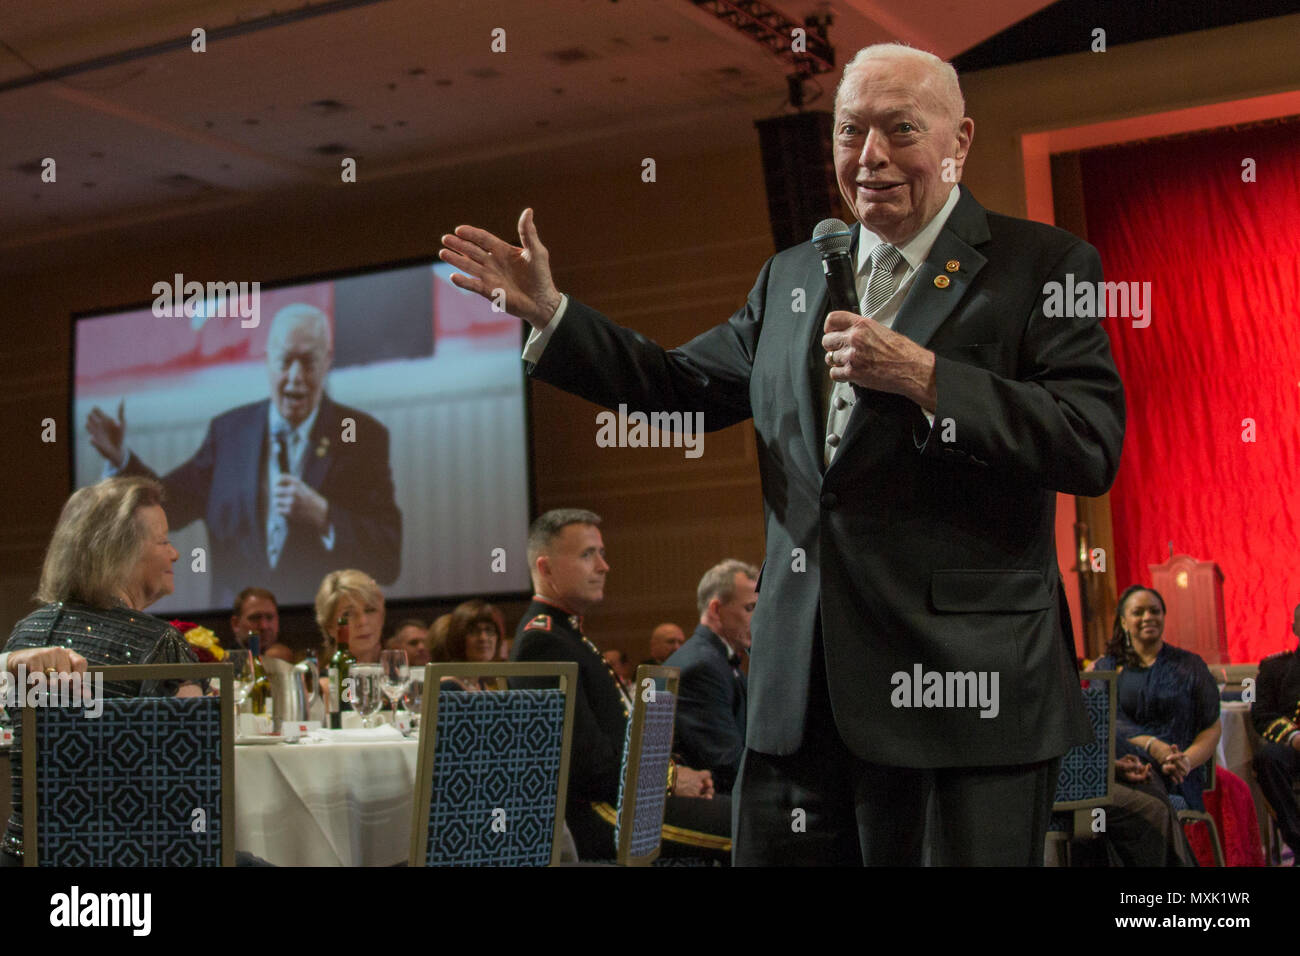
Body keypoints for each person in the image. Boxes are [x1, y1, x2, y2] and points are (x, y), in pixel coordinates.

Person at [440, 42, 1125, 864]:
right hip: (798, 707)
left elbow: (1088, 441)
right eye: (849, 131)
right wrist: (554, 317)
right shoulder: (794, 276)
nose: (868, 157)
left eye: (900, 130)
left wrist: (927, 376)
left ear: (959, 142)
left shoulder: (1041, 265)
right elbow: (678, 389)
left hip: (960, 703)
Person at [85, 303, 402, 609]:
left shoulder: (364, 438)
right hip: (234, 633)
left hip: (322, 633)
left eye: (308, 362)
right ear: (267, 360)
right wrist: (121, 460)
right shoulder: (228, 433)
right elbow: (173, 506)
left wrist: (323, 514)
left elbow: (387, 560)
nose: (295, 377)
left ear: (327, 361)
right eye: (285, 361)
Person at [510, 509, 732, 862]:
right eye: (587, 554)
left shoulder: (566, 634)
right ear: (545, 568)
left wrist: (674, 774)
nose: (603, 566)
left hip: (622, 799)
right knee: (753, 828)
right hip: (599, 815)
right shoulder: (544, 641)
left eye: (602, 553)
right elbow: (588, 768)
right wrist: (671, 779)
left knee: (751, 815)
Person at [1, 477, 201, 864]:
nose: (176, 554)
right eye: (163, 541)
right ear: (120, 552)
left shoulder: (25, 634)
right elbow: (193, 780)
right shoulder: (160, 645)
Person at [1093, 586, 1221, 813]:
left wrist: (1185, 761)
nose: (1148, 617)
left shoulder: (1190, 666)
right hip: (1123, 767)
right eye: (1138, 612)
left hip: (1176, 773)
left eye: (1155, 611)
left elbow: (1211, 726)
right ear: (1123, 622)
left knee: (1142, 799)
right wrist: (1154, 747)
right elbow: (1106, 723)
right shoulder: (1107, 668)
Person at [666, 560, 758, 794]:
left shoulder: (716, 660)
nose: (760, 619)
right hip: (708, 797)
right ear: (716, 609)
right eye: (750, 608)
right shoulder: (702, 667)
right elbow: (728, 764)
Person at [1250, 603, 1300, 861]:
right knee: (1267, 758)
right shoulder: (1275, 668)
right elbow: (1262, 715)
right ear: (1295, 628)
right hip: (1295, 750)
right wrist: (1294, 737)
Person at [314, 569, 386, 664]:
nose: (362, 621)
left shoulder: (402, 676)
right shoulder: (318, 679)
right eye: (348, 614)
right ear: (329, 626)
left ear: (382, 616)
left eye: (370, 610)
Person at [438, 600, 504, 691]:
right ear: (458, 637)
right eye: (474, 631)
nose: (483, 638)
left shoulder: (480, 683)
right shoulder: (448, 686)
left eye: (489, 630)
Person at [230, 586, 293, 662]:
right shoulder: (223, 663)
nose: (264, 626)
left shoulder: (287, 660)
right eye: (255, 618)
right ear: (236, 624)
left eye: (269, 617)